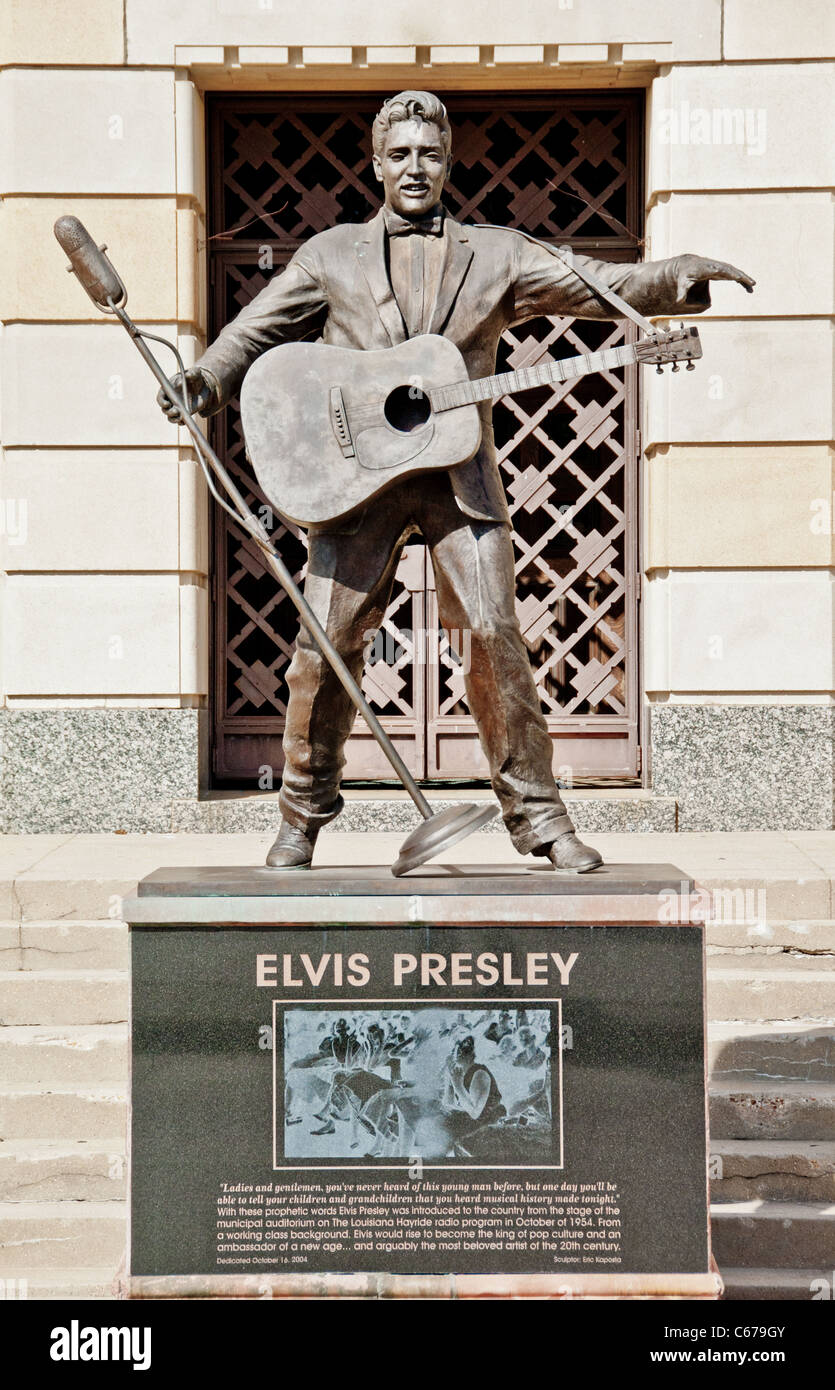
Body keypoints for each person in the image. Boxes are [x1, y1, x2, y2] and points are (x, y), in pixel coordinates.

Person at [159, 91, 755, 873]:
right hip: (355, 486)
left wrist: (676, 276)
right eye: (399, 153)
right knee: (321, 648)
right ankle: (301, 816)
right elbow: (255, 330)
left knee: (494, 636)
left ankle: (540, 820)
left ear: (448, 162)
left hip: (461, 482)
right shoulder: (329, 254)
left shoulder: (497, 253)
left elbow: (598, 285)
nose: (414, 167)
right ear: (375, 163)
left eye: (429, 154)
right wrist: (203, 378)